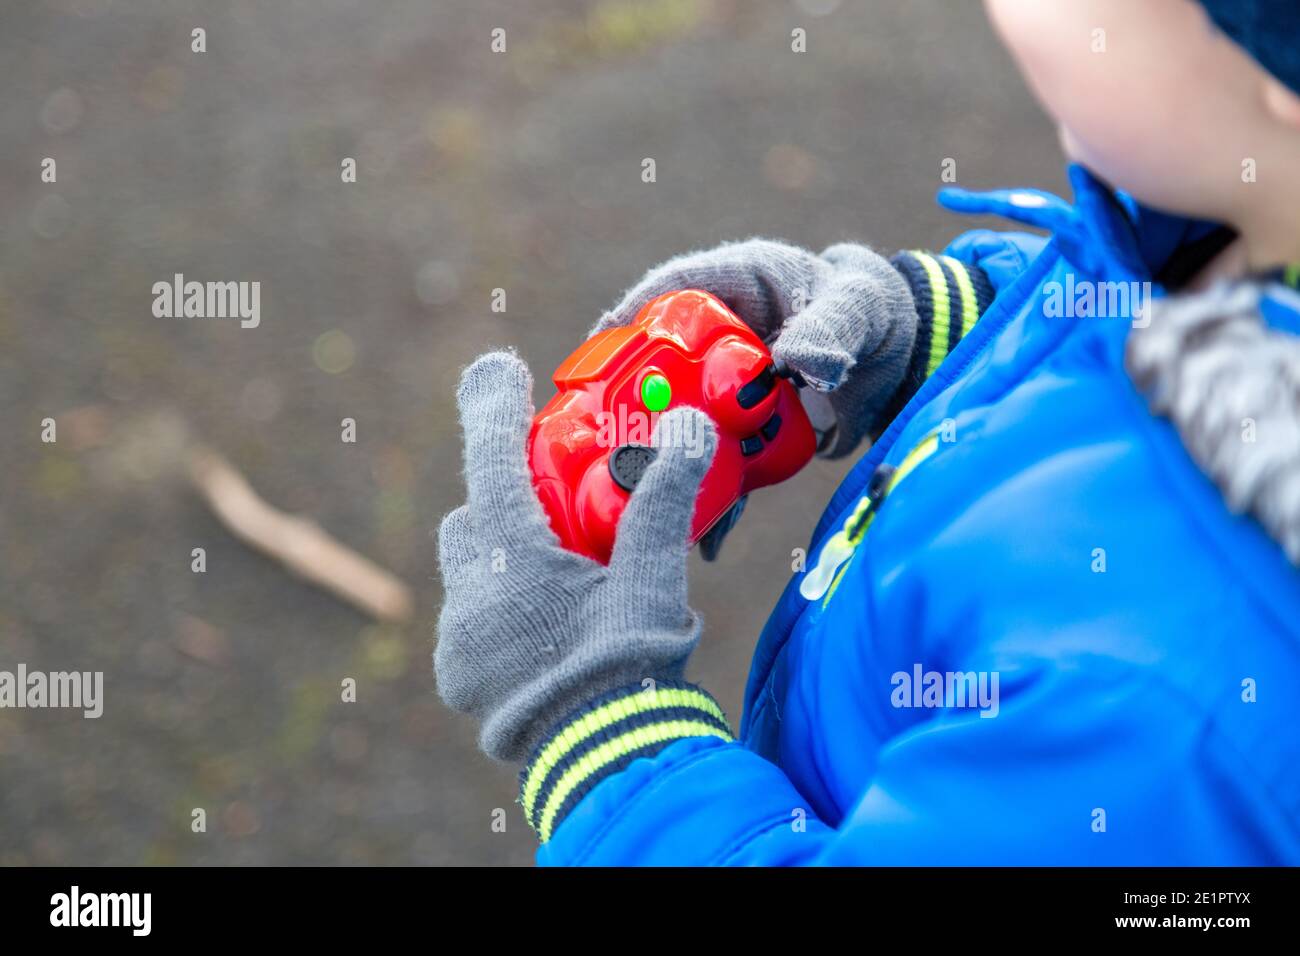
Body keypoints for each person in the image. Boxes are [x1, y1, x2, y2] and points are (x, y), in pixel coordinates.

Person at [434, 0, 1300, 864]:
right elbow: (1116, 351)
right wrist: (945, 334)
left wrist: (604, 743)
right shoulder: (1226, 215)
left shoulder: (1161, 721)